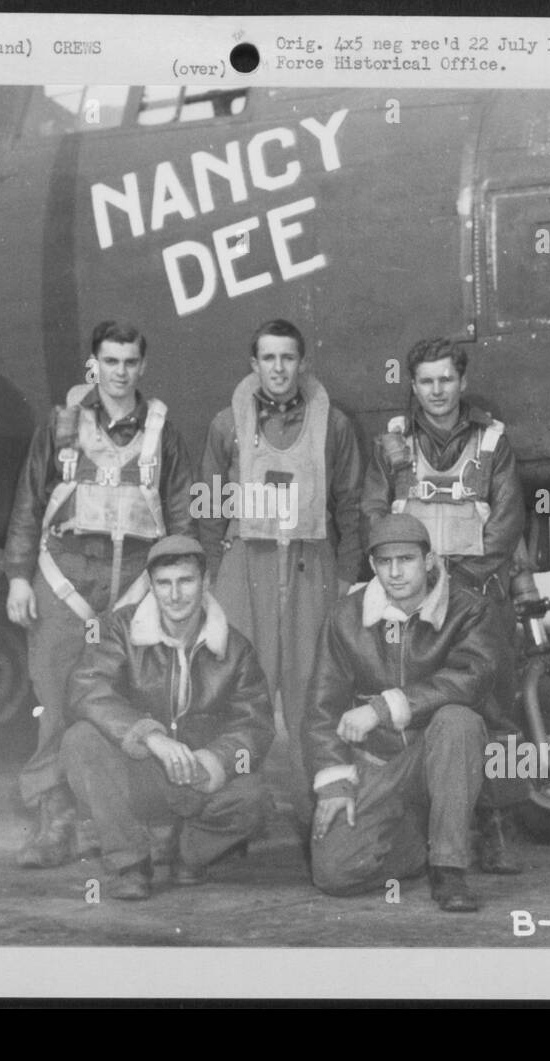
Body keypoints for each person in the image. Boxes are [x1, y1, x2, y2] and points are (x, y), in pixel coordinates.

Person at [4, 320, 195, 868]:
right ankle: (54, 818)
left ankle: (119, 815)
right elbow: (29, 498)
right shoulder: (65, 425)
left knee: (132, 697)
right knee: (56, 700)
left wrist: (180, 583)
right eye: (110, 361)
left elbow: (180, 512)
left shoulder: (162, 430)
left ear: (143, 365)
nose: (120, 372)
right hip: (65, 574)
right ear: (95, 363)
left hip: (135, 578)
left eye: (130, 362)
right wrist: (19, 575)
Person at [360, 336, 526, 873]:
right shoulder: (391, 444)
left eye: (446, 379)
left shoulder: (493, 441)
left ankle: (493, 822)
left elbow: (506, 520)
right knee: (416, 700)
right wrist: (415, 580)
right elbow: (374, 513)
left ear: (462, 382)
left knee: (494, 709)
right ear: (413, 385)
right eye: (426, 380)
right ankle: (420, 818)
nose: (437, 390)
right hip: (411, 599)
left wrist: (463, 583)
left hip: (477, 598)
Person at [199, 319, 363, 840]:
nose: (278, 368)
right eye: (267, 358)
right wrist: (205, 578)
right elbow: (208, 505)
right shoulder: (227, 424)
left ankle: (318, 818)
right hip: (247, 563)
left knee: (312, 694)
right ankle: (221, 820)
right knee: (233, 691)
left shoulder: (332, 425)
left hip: (311, 563)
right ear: (254, 364)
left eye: (287, 358)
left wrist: (346, 581)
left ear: (302, 363)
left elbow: (350, 508)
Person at [303, 514, 507, 912]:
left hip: (437, 757)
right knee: (335, 874)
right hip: (377, 766)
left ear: (429, 560)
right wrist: (334, 782)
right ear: (373, 564)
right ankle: (418, 836)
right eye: (384, 561)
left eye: (406, 559)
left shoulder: (470, 609)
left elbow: (471, 677)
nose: (394, 572)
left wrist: (383, 707)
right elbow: (321, 707)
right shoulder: (346, 616)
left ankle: (449, 868)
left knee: (457, 721)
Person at [59, 536, 275, 900]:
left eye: (186, 581)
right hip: (139, 772)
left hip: (197, 780)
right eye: (164, 583)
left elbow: (254, 724)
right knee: (80, 739)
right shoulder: (118, 628)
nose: (175, 595)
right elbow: (86, 689)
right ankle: (129, 863)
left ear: (205, 582)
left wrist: (215, 759)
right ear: (151, 585)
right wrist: (150, 737)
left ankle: (186, 854)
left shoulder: (235, 648)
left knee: (255, 800)